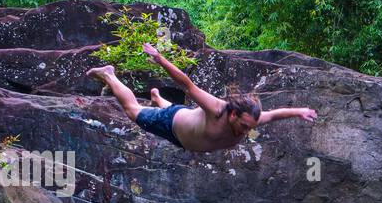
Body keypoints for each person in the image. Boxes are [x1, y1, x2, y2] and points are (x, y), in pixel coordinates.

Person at [86, 43, 317, 151]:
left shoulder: (252, 118)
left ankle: (158, 98)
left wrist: (300, 111)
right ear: (234, 114)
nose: (246, 131)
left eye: (249, 128)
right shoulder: (216, 108)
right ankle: (110, 75)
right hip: (172, 124)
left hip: (186, 135)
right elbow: (187, 84)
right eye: (244, 126)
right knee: (133, 111)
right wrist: (159, 58)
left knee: (183, 114)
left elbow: (275, 114)